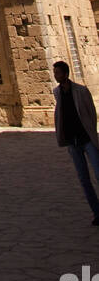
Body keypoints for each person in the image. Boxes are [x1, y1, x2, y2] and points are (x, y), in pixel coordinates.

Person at [52, 60, 99, 225]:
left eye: (57, 73)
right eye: (54, 73)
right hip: (73, 142)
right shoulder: (56, 93)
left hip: (87, 139)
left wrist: (91, 132)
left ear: (65, 74)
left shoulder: (81, 91)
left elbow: (91, 114)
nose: (55, 76)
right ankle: (97, 212)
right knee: (84, 179)